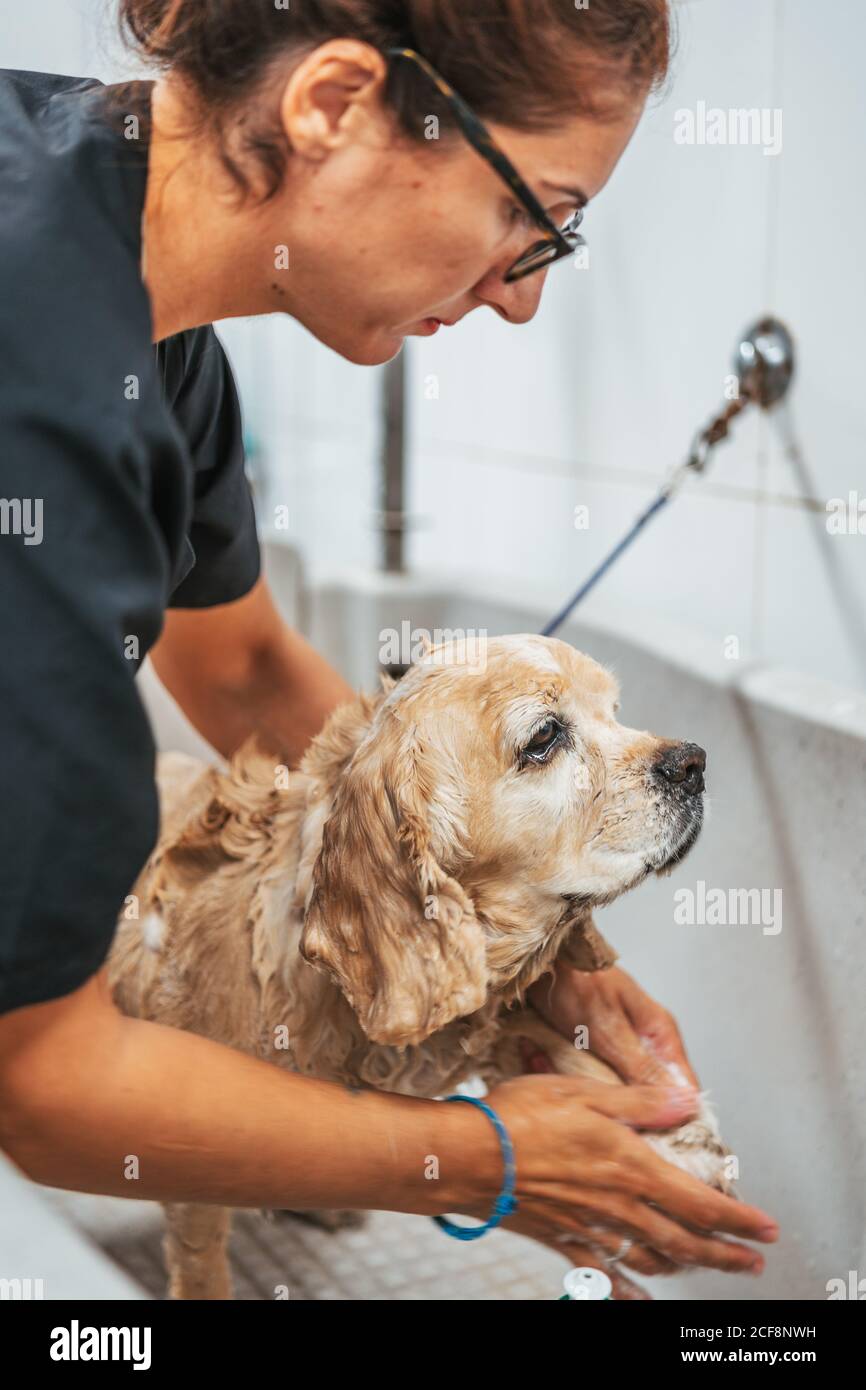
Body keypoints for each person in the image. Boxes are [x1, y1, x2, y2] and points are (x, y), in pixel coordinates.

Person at [0, 0, 778, 1294]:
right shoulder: (38, 390)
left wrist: (549, 958)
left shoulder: (143, 307)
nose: (522, 298)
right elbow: (39, 1082)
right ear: (333, 105)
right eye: (534, 218)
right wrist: (472, 1158)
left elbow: (244, 671)